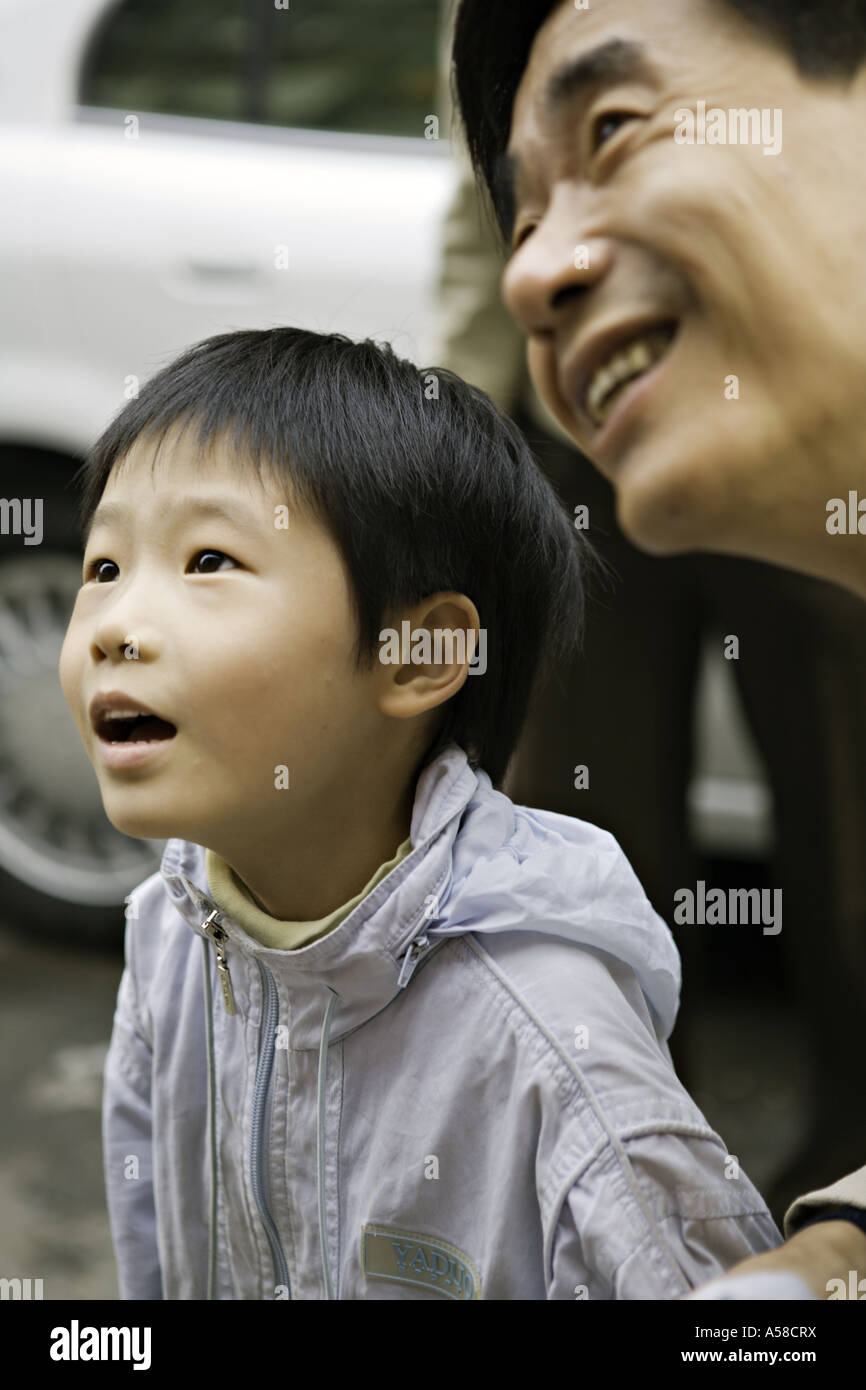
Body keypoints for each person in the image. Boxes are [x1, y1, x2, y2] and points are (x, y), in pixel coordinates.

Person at [58, 326, 779, 1300]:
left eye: (209, 559)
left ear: (415, 654)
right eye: (103, 567)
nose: (115, 629)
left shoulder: (546, 1034)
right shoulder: (173, 935)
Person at [448, 0, 866, 1297]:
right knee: (590, 825)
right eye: (529, 213)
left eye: (619, 128)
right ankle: (639, 1181)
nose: (539, 270)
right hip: (576, 471)